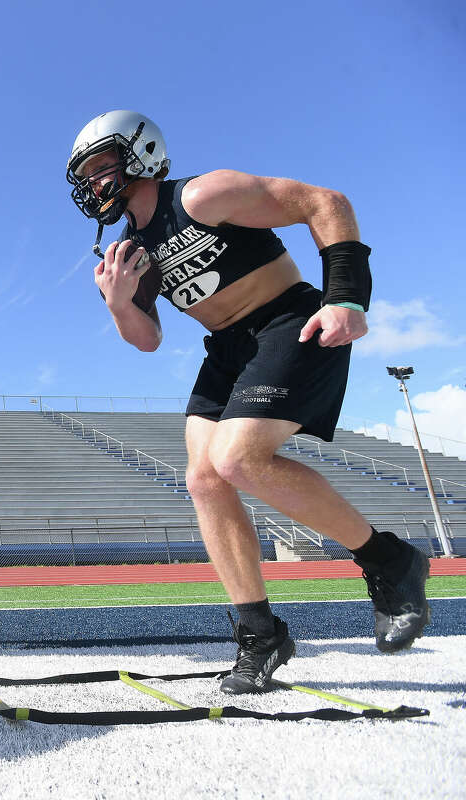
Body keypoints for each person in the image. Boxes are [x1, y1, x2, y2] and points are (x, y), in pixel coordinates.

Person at [65, 110, 430, 693]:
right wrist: (117, 302)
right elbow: (149, 339)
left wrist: (348, 299)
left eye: (101, 166)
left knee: (236, 459)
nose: (92, 183)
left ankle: (389, 559)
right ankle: (260, 634)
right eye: (84, 174)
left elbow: (324, 200)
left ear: (140, 154)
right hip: (227, 347)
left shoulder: (204, 195)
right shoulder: (131, 248)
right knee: (205, 479)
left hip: (287, 319)